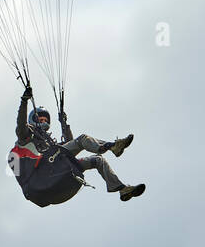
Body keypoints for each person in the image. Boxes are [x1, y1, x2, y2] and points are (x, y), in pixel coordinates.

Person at [8, 82, 145, 207]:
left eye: (45, 119)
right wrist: (24, 100)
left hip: (54, 171)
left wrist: (64, 124)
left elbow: (68, 147)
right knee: (82, 139)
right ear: (32, 120)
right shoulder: (25, 137)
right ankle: (112, 146)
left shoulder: (49, 145)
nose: (43, 121)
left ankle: (122, 189)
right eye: (40, 118)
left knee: (98, 160)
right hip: (41, 175)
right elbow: (20, 123)